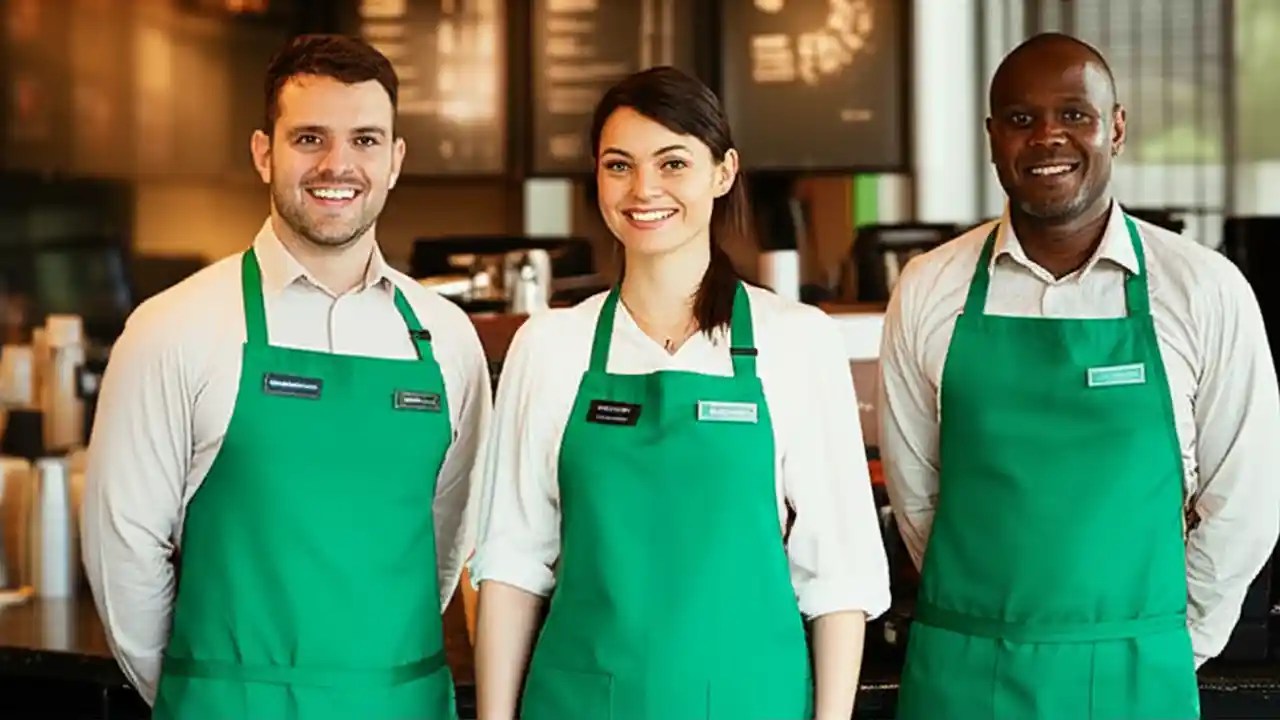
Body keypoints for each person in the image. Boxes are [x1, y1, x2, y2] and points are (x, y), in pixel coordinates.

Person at [81, 34, 491, 720]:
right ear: (264, 152)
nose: (338, 165)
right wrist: (212, 690)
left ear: (395, 161)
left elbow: (448, 540)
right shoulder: (172, 329)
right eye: (309, 138)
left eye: (365, 140)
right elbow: (123, 551)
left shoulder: (448, 339)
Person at [467, 66, 891, 720]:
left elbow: (837, 579)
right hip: (583, 702)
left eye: (673, 163)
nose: (644, 189)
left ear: (723, 172)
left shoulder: (797, 341)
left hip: (751, 703)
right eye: (619, 166)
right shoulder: (550, 346)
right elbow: (511, 566)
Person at [880, 32, 1280, 720]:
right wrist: (983, 617)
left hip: (1136, 670)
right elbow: (916, 495)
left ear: (1115, 128)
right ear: (992, 136)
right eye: (1021, 118)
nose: (1047, 137)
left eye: (1074, 114)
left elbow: (1246, 499)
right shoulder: (927, 288)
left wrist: (1171, 640)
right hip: (963, 671)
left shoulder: (1204, 289)